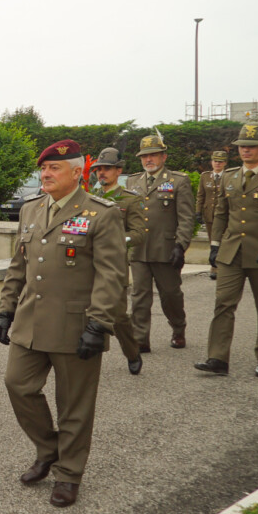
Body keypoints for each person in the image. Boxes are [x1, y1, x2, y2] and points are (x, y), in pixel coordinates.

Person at [0, 140, 126, 508]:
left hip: (76, 325)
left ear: (76, 172)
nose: (46, 174)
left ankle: (69, 474)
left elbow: (112, 275)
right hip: (30, 321)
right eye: (44, 168)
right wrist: (5, 309)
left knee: (74, 405)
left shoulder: (101, 213)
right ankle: (49, 448)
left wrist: (99, 323)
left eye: (54, 168)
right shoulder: (32, 210)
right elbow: (18, 266)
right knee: (17, 385)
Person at [195, 123, 258, 378]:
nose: (246, 151)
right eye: (242, 147)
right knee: (223, 304)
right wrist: (215, 245)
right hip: (231, 252)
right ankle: (218, 358)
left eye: (251, 147)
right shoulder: (230, 176)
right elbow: (221, 213)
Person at [124, 133, 194, 351]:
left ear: (163, 156)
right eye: (144, 156)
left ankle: (178, 328)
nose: (148, 160)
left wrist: (180, 246)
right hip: (139, 250)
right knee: (139, 297)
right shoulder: (132, 181)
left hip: (166, 249)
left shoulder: (178, 181)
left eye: (153, 155)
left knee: (171, 295)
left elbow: (186, 217)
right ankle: (140, 339)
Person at [88, 148, 145, 375]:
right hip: (88, 265)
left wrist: (116, 240)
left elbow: (139, 233)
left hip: (114, 266)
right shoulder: (89, 198)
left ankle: (132, 352)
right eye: (99, 169)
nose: (102, 173)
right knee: (89, 313)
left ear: (118, 171)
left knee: (119, 316)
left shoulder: (130, 199)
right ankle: (91, 358)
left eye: (107, 169)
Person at [196, 151, 230, 279]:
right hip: (210, 214)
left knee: (225, 241)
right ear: (211, 162)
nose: (217, 163)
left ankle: (225, 267)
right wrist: (198, 211)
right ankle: (214, 267)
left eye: (220, 161)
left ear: (225, 163)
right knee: (213, 242)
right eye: (215, 161)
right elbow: (200, 196)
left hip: (226, 215)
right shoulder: (205, 176)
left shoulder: (229, 176)